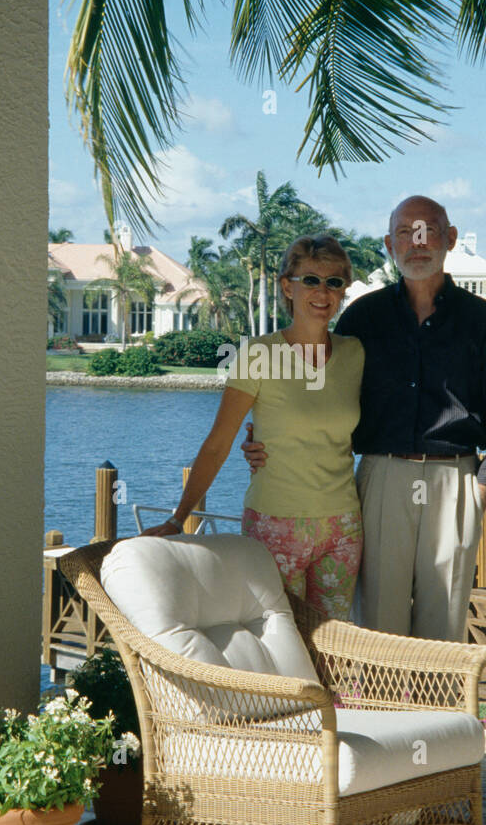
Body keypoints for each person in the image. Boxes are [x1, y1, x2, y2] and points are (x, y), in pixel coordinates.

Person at [244, 196, 486, 642]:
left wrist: (475, 497)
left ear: (450, 238)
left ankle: (436, 714)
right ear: (388, 244)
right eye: (405, 232)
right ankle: (383, 712)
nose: (417, 242)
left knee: (443, 631)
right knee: (377, 630)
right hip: (380, 479)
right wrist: (265, 438)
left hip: (456, 480)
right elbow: (315, 396)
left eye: (428, 230)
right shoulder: (364, 318)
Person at [142, 234, 365, 621]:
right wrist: (179, 518)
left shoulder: (355, 354)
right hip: (275, 525)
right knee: (279, 644)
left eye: (335, 282)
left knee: (335, 648)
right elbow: (216, 445)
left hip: (342, 527)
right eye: (310, 279)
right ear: (286, 286)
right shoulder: (258, 355)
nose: (322, 291)